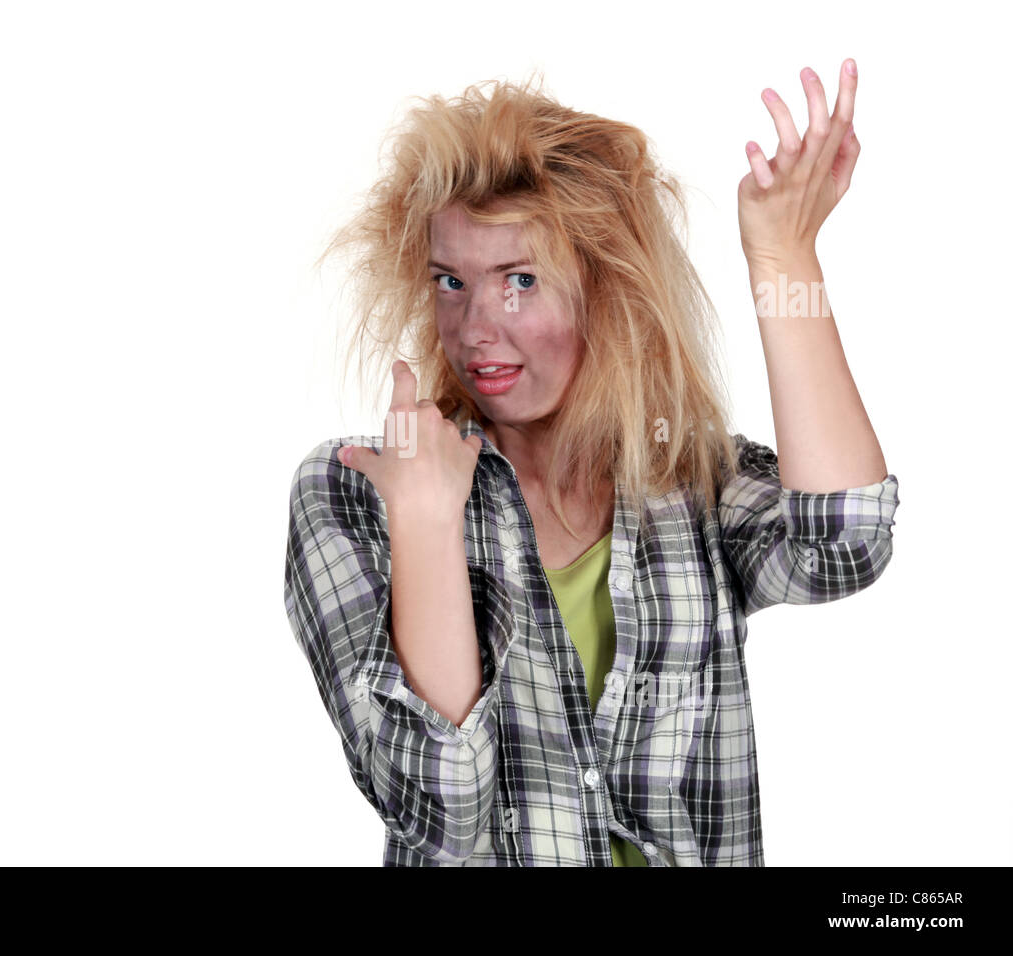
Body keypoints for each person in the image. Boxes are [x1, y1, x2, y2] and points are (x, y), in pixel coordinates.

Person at [282, 67, 898, 866]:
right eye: (451, 281)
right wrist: (428, 520)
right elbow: (438, 807)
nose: (474, 328)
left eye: (521, 280)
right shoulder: (351, 493)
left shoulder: (685, 479)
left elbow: (844, 542)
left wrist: (784, 257)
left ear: (606, 290)